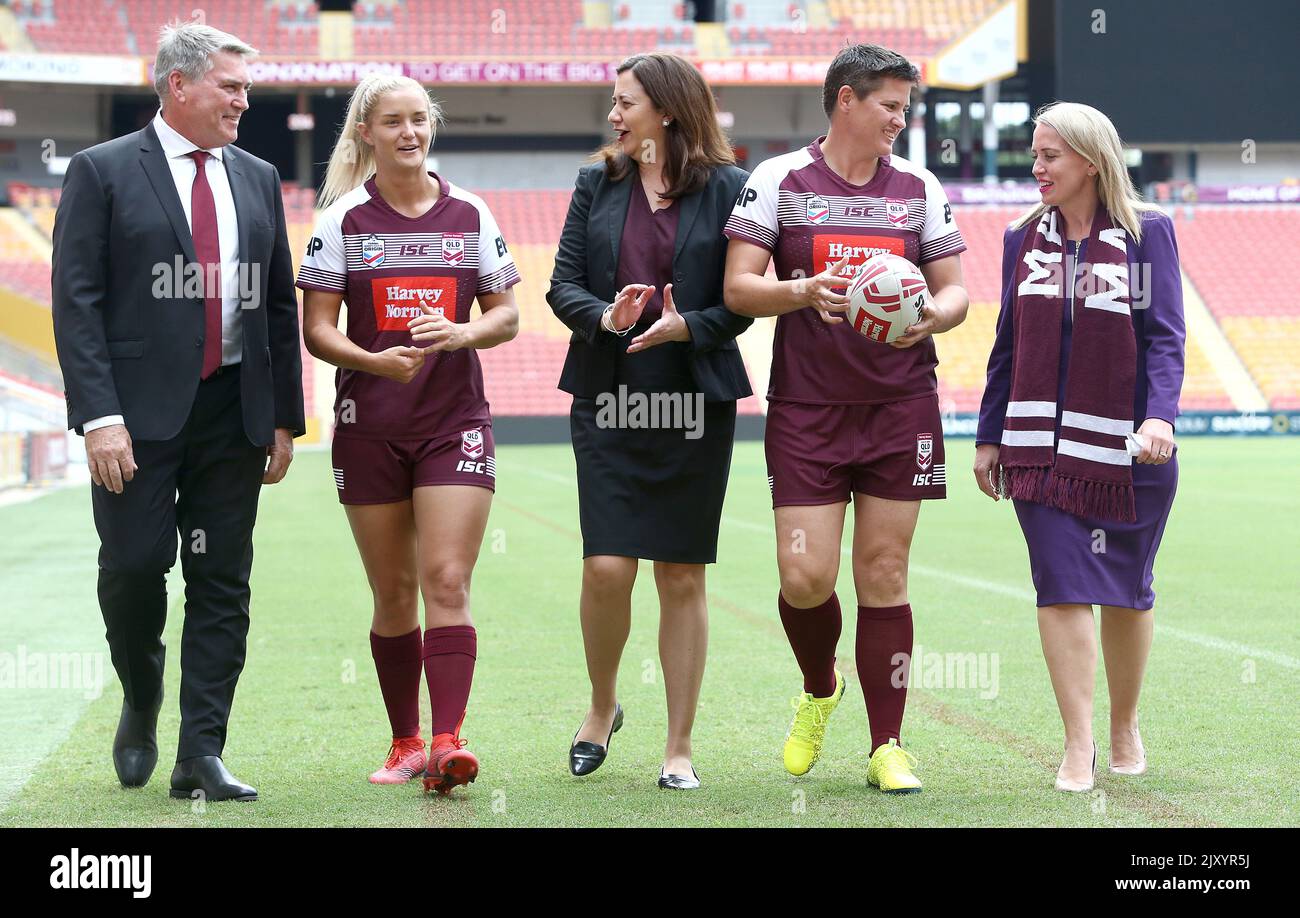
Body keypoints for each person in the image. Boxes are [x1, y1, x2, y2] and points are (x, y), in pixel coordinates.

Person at [50, 21, 304, 801]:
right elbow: (77, 300)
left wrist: (285, 417)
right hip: (133, 415)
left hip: (234, 409)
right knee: (132, 568)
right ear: (178, 85)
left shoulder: (258, 176)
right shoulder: (101, 171)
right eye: (230, 86)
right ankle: (140, 690)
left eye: (245, 87)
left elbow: (273, 307)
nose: (243, 99)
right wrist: (99, 417)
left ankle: (201, 753)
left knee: (222, 578)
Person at [723, 44, 969, 793]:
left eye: (904, 107)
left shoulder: (918, 188)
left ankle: (887, 744)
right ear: (846, 102)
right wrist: (802, 292)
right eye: (890, 105)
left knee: (885, 573)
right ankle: (820, 685)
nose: (900, 119)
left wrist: (932, 316)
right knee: (804, 577)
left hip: (901, 405)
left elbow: (956, 291)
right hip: (807, 408)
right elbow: (738, 288)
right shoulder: (779, 181)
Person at [298, 74, 520, 795]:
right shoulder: (342, 223)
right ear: (367, 133)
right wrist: (373, 361)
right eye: (392, 122)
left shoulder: (469, 213)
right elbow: (317, 330)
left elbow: (507, 316)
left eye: (419, 121)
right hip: (368, 428)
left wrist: (459, 334)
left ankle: (450, 743)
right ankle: (405, 742)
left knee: (447, 580)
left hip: (454, 425)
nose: (409, 133)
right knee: (394, 594)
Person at [548, 52, 752, 790]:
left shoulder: (732, 189)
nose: (614, 114)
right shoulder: (595, 183)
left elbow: (744, 300)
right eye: (612, 100)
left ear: (666, 108)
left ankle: (679, 746)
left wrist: (687, 326)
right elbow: (560, 285)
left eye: (625, 100)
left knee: (681, 574)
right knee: (606, 567)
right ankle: (602, 706)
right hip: (609, 399)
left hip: (695, 403)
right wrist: (607, 315)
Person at [974, 101, 1184, 792]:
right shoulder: (1019, 240)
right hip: (1037, 450)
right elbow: (1007, 343)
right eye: (1034, 155)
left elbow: (1164, 338)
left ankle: (1124, 724)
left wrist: (1159, 419)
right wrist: (987, 437)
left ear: (1090, 161)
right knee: (1061, 584)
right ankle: (1079, 743)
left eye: (1049, 156)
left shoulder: (1149, 232)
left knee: (1127, 592)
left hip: (1130, 452)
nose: (1035, 168)